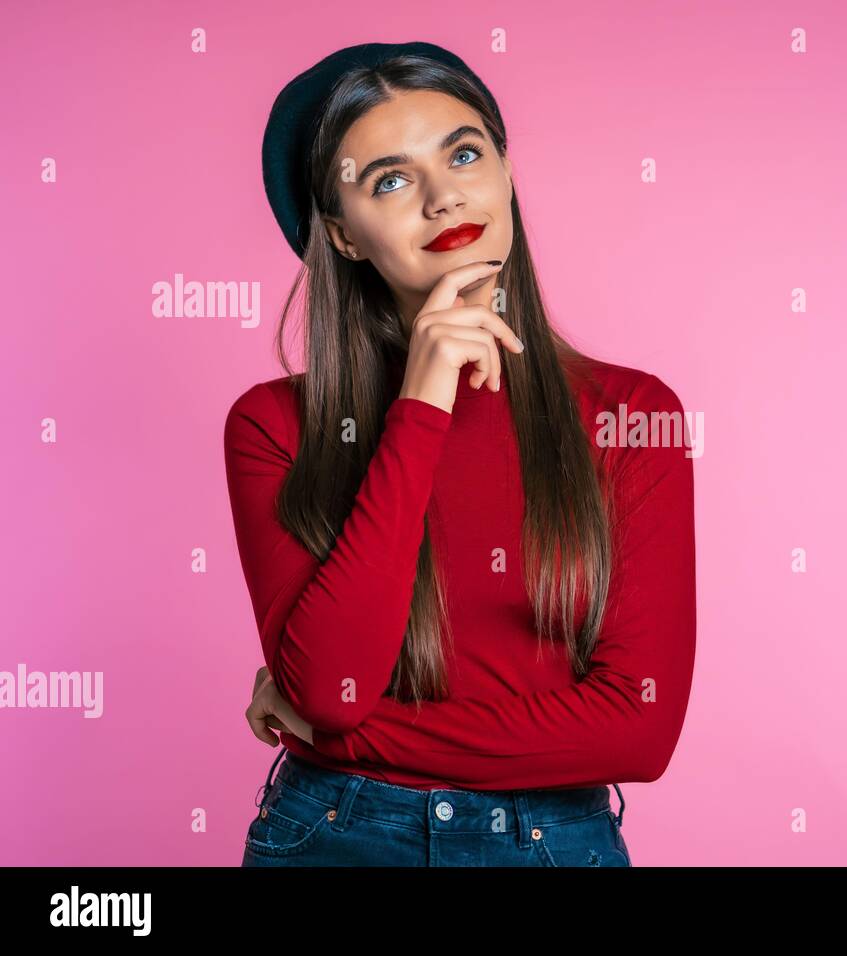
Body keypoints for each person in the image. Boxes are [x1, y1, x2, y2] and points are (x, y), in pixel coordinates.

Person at [223, 42, 696, 866]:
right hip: (335, 838)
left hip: (549, 842)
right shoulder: (274, 426)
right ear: (342, 234)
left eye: (465, 153)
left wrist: (344, 736)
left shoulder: (630, 414)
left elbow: (638, 731)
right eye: (391, 180)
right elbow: (332, 679)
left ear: (506, 174)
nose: (445, 198)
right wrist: (422, 399)